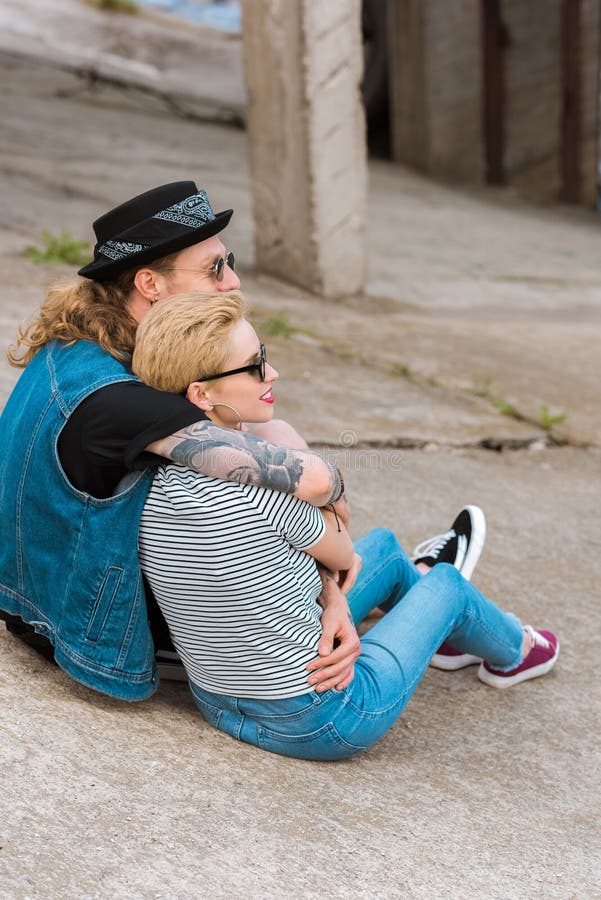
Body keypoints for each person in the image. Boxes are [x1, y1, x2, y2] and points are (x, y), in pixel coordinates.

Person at [0, 180, 479, 699]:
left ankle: (412, 589)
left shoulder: (81, 342)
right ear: (150, 284)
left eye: (227, 262)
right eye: (214, 268)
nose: (233, 281)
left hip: (35, 601)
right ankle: (430, 591)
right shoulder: (124, 401)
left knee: (258, 430)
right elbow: (313, 480)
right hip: (84, 630)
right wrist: (334, 505)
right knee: (265, 467)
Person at [131, 290, 559, 761]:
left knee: (388, 550)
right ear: (201, 394)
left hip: (218, 701)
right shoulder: (266, 488)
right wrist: (316, 489)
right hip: (322, 717)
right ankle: (517, 651)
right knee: (448, 585)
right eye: (253, 366)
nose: (271, 374)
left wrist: (332, 597)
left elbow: (327, 560)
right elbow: (341, 553)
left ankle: (446, 635)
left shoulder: (153, 479)